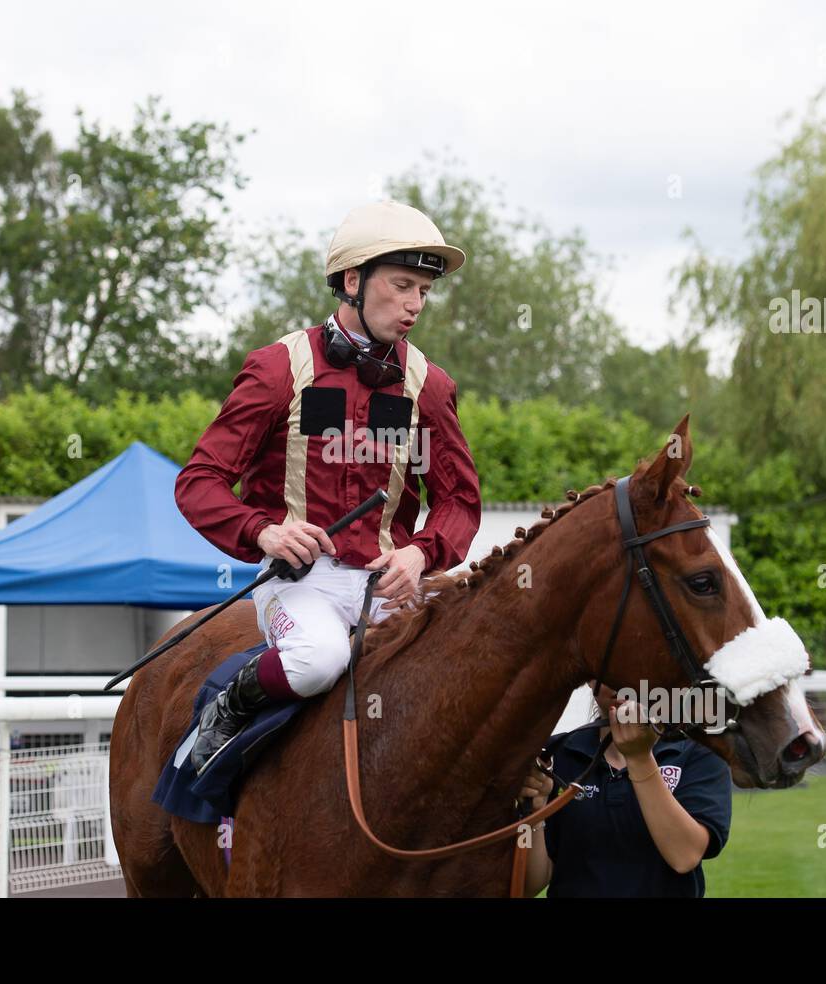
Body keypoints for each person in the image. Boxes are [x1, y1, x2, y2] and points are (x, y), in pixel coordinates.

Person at [174, 200, 482, 773]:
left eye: (424, 290)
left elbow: (460, 501)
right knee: (317, 661)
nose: (415, 304)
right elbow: (200, 482)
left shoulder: (431, 387)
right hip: (301, 585)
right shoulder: (277, 368)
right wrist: (262, 532)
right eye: (402, 285)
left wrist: (421, 552)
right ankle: (233, 700)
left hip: (392, 586)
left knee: (485, 648)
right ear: (351, 281)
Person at [520, 685, 733, 897]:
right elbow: (527, 886)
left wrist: (639, 758)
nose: (619, 680)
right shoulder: (555, 755)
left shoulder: (698, 752)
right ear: (590, 679)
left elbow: (685, 856)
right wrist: (534, 813)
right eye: (610, 669)